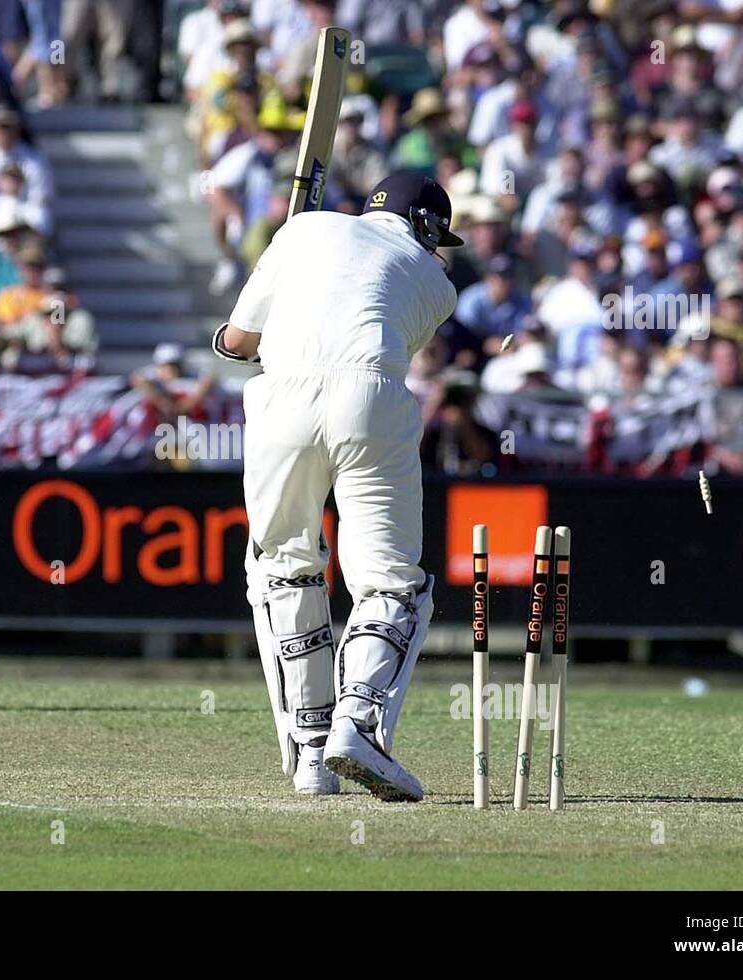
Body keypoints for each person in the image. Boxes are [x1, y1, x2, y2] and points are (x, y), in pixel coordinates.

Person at [214, 173, 460, 801]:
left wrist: (228, 335)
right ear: (426, 226)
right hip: (370, 397)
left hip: (279, 401)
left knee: (283, 568)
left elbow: (239, 341)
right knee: (389, 580)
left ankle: (310, 756)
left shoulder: (300, 228)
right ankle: (357, 725)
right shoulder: (437, 285)